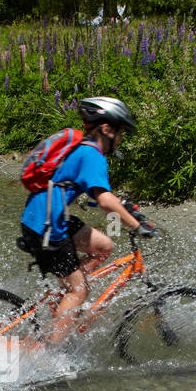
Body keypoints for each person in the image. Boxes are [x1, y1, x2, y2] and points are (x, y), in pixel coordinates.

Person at [19, 96, 154, 345]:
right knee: (79, 290)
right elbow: (104, 200)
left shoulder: (82, 150)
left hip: (46, 219)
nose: (121, 138)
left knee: (104, 246)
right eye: (120, 132)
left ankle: (64, 295)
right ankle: (51, 353)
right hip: (46, 227)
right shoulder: (92, 155)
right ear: (106, 128)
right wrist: (137, 226)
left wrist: (125, 209)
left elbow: (96, 196)